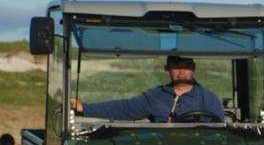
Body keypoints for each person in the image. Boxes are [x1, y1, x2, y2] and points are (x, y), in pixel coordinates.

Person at [71, 56, 225, 123]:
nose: (181, 71)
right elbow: (124, 108)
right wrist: (85, 108)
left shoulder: (209, 99)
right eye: (176, 66)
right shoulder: (156, 97)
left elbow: (219, 133)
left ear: (194, 69)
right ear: (167, 69)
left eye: (186, 66)